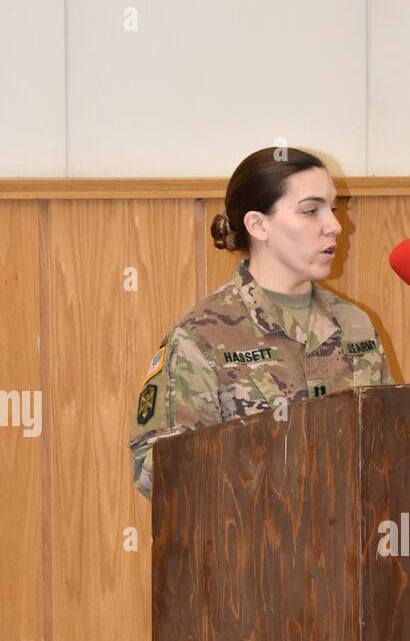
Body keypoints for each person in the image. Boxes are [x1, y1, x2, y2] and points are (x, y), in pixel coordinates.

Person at [129, 146, 394, 498]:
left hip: (351, 546)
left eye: (333, 208)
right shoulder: (202, 335)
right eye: (312, 210)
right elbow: (157, 470)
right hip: (250, 545)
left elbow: (394, 439)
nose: (334, 226)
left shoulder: (355, 324)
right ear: (258, 225)